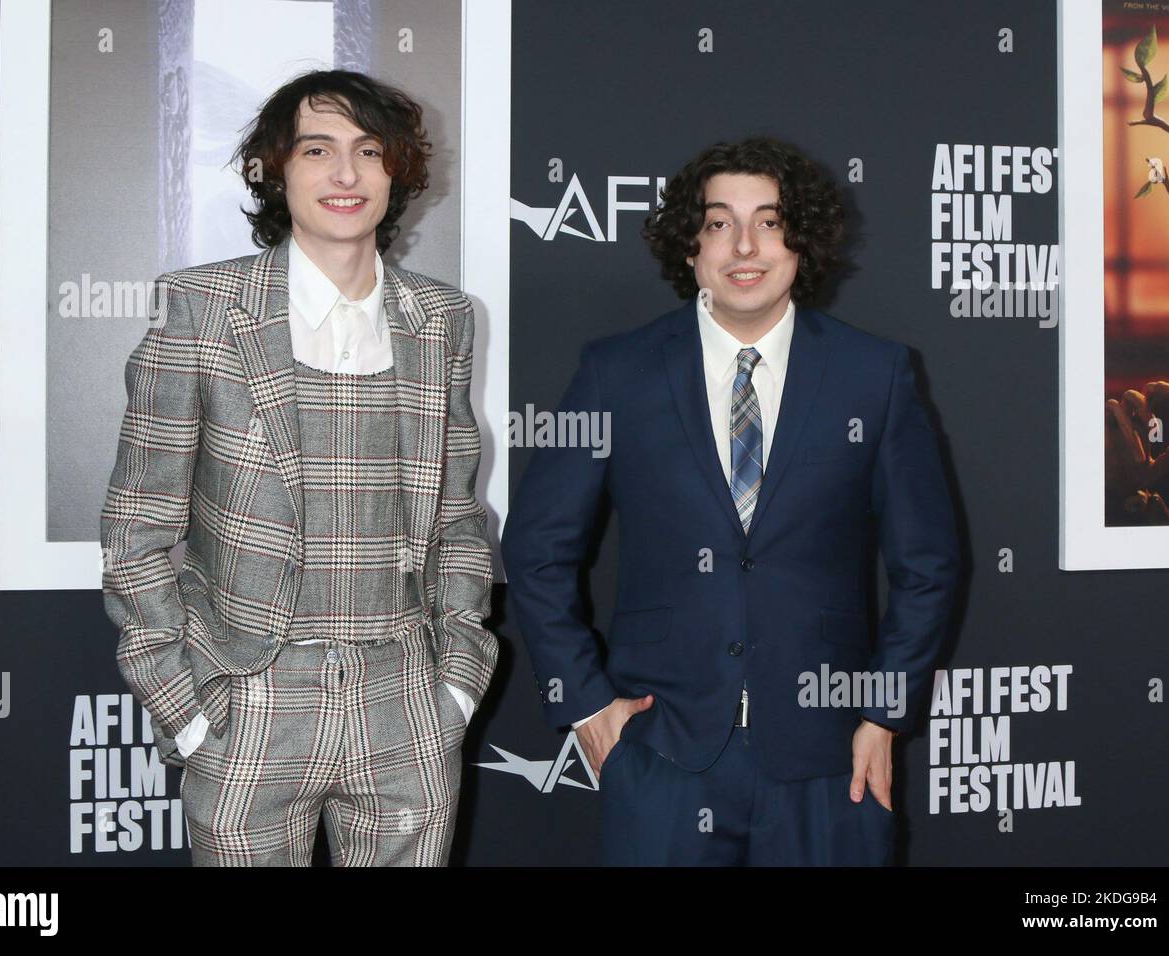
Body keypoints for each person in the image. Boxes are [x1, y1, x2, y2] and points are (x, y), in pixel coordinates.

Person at [501, 136, 960, 866]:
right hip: (662, 754)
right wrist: (586, 704)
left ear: (800, 241)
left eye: (771, 221)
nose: (745, 245)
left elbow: (928, 563)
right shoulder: (616, 372)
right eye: (719, 223)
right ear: (690, 246)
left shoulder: (874, 375)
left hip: (831, 753)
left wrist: (883, 713)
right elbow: (535, 548)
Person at [100, 69, 496, 866]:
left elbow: (456, 520)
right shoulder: (201, 310)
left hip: (406, 701)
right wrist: (188, 711)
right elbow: (136, 533)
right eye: (317, 149)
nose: (345, 174)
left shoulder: (443, 319)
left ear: (399, 172)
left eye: (369, 151)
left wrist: (453, 681)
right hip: (248, 699)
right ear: (275, 170)